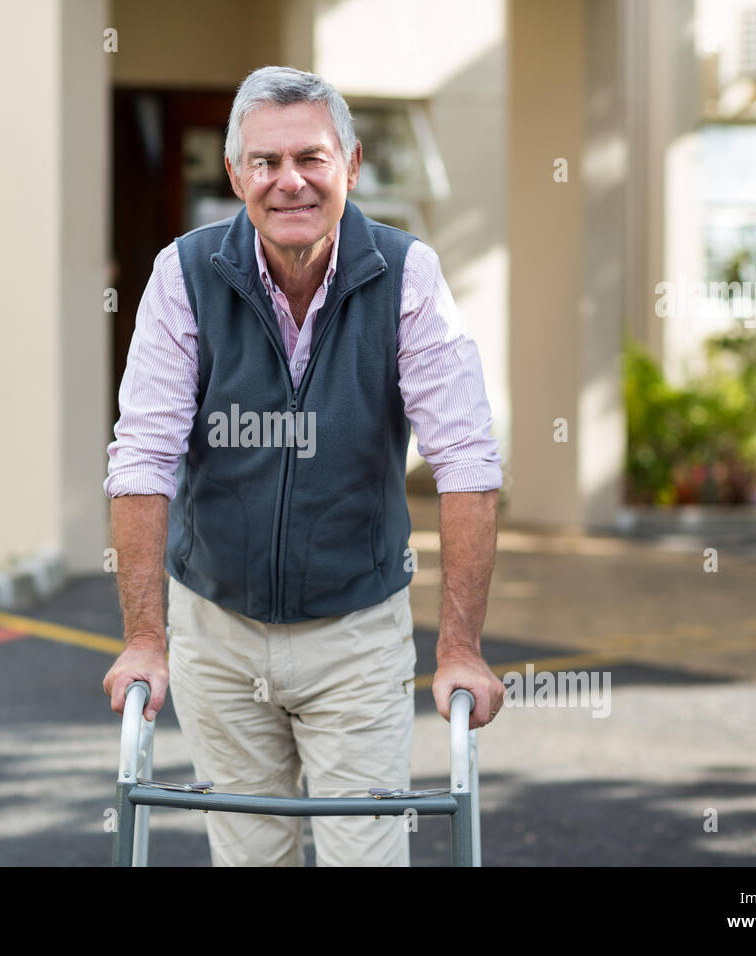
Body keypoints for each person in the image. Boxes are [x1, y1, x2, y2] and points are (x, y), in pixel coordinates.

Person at [102, 65, 504, 866]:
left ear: (351, 165)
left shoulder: (407, 275)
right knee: (253, 860)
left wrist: (460, 646)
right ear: (234, 175)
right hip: (217, 627)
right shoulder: (182, 276)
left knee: (367, 857)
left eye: (312, 159)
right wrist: (146, 639)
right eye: (266, 162)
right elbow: (143, 456)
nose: (290, 182)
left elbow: (463, 459)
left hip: (355, 631)